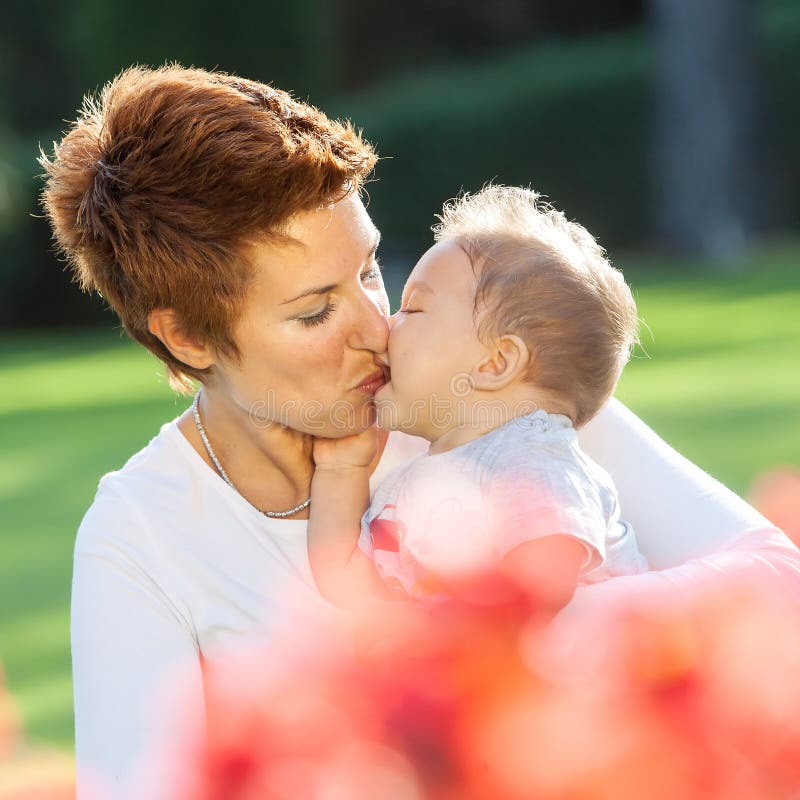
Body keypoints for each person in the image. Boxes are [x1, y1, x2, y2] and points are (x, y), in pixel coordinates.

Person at [38, 65, 799, 799]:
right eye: (315, 311)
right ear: (189, 340)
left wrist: (493, 638)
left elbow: (778, 586)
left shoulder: (484, 401)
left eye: (370, 271)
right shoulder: (140, 540)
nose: (379, 328)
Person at [308, 186, 648, 612]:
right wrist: (341, 469)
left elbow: (540, 589)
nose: (386, 327)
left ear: (496, 362)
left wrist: (448, 648)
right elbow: (343, 577)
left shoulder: (531, 459)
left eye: (412, 310)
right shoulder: (408, 485)